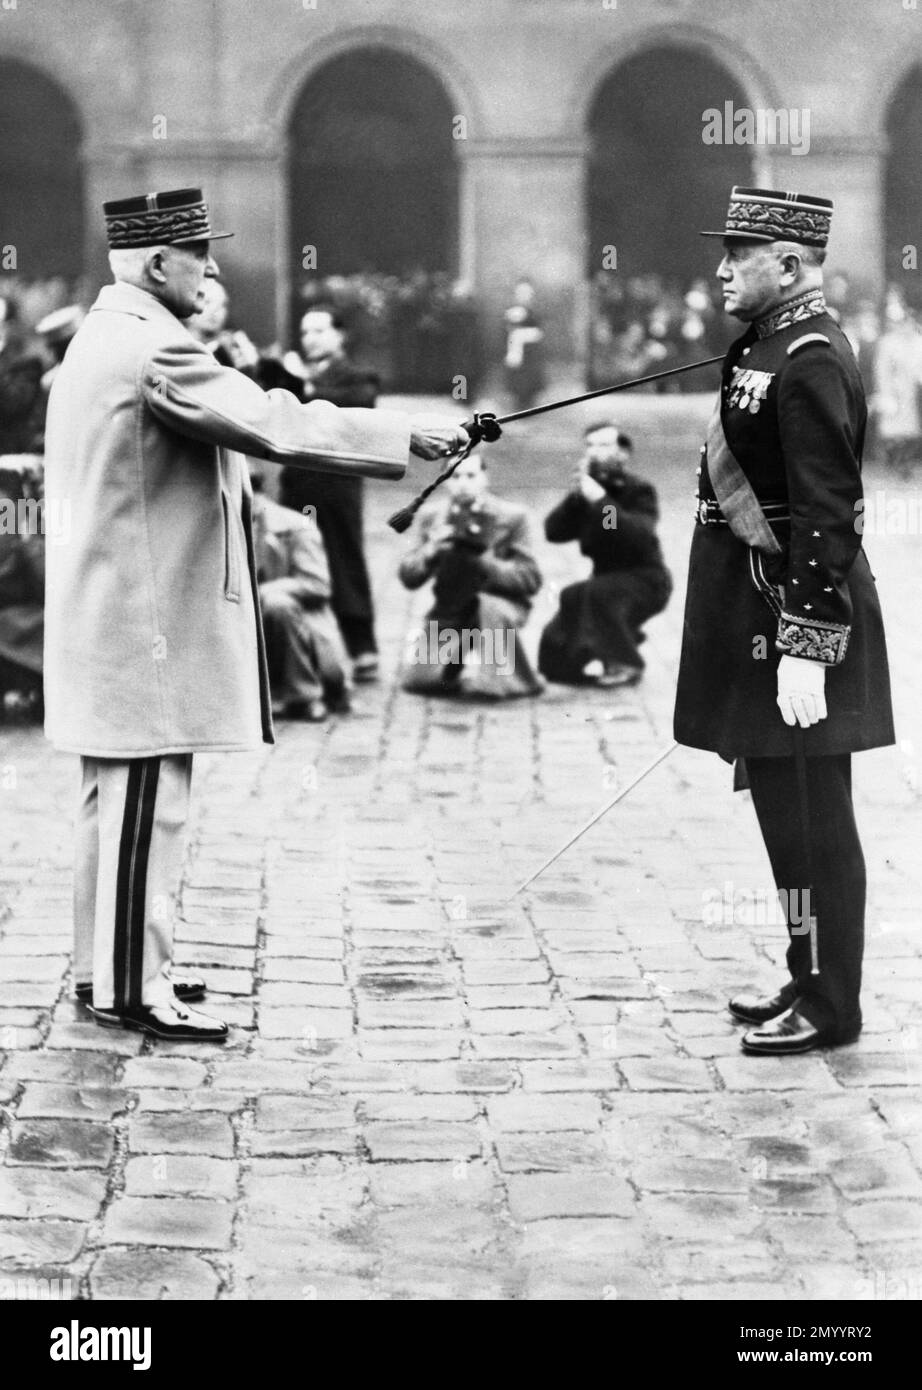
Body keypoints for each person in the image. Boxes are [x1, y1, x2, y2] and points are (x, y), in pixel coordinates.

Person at [42, 186, 468, 1043]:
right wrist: (399, 436)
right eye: (200, 253)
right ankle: (131, 989)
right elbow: (270, 422)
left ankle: (112, 968)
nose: (212, 267)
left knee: (114, 806)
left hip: (118, 611)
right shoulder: (152, 348)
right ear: (159, 263)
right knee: (142, 806)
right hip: (142, 621)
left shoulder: (107, 333)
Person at [674, 185, 894, 1055]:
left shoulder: (811, 359)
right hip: (756, 616)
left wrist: (806, 648)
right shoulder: (767, 345)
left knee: (816, 819)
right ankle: (805, 976)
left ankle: (834, 1004)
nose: (723, 268)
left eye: (739, 254)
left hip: (799, 621)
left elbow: (828, 513)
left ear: (790, 264)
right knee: (779, 807)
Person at [265, 306, 382, 682]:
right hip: (299, 484)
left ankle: (362, 647)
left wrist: (303, 383)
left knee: (344, 558)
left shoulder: (356, 376)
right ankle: (303, 648)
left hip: (337, 486)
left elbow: (351, 406)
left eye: (319, 330)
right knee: (297, 563)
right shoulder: (292, 375)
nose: (310, 338)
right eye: (305, 331)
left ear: (340, 335)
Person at [398, 452, 543, 699]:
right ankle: (452, 664)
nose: (463, 483)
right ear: (445, 481)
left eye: (471, 475)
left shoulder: (513, 516)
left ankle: (506, 679)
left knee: (490, 610)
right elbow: (408, 577)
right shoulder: (433, 517)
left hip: (498, 604)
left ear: (484, 478)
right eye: (455, 476)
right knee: (419, 681)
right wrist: (432, 549)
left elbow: (529, 579)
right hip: (451, 609)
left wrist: (485, 558)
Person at [538, 422, 672, 687]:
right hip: (606, 580)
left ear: (623, 453)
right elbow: (554, 532)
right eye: (590, 446)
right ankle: (574, 660)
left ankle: (625, 662)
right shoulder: (587, 492)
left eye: (603, 445)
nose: (594, 452)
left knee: (598, 594)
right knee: (571, 597)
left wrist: (600, 500)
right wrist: (575, 499)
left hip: (645, 579)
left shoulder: (639, 490)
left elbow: (636, 537)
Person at [250, 463, 351, 723]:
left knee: (277, 604)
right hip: (250, 630)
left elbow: (317, 584)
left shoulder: (295, 526)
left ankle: (305, 696)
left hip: (303, 630)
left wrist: (257, 592)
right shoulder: (223, 527)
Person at [503, 278, 545, 410]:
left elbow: (540, 328)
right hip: (516, 348)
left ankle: (529, 402)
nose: (524, 295)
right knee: (517, 377)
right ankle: (519, 403)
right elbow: (507, 327)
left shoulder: (535, 308)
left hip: (531, 350)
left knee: (530, 378)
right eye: (521, 292)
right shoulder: (511, 308)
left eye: (527, 292)